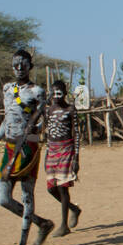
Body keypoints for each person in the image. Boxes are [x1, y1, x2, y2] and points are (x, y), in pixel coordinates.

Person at [0, 50, 54, 245]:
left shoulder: (37, 91)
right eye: (15, 64)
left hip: (28, 148)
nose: (18, 68)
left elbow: (43, 120)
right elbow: (7, 121)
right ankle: (41, 223)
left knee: (27, 196)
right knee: (3, 199)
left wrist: (36, 130)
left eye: (23, 64)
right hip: (9, 147)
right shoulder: (8, 89)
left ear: (30, 66)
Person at [43, 80, 81, 236]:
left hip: (66, 149)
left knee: (62, 187)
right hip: (52, 150)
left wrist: (76, 158)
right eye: (53, 93)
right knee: (51, 188)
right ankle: (74, 209)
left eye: (59, 93)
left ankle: (64, 225)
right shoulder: (48, 110)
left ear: (65, 93)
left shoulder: (71, 110)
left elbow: (77, 134)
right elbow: (47, 132)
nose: (56, 96)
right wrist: (46, 154)